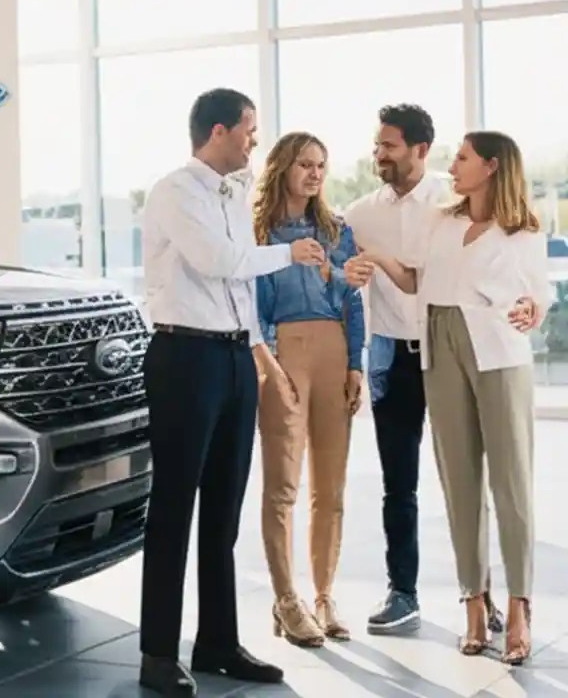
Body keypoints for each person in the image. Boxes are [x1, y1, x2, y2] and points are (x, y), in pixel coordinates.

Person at [137, 87, 326, 696]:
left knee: (224, 508)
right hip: (184, 357)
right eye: (248, 128)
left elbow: (237, 284)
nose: (254, 139)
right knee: (173, 509)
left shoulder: (236, 192)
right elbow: (219, 260)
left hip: (233, 358)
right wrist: (287, 253)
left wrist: (257, 357)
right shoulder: (174, 191)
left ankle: (218, 642)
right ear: (217, 131)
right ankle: (157, 655)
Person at [345, 130, 548, 665]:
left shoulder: (521, 227)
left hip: (499, 350)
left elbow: (538, 292)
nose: (452, 167)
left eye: (462, 158)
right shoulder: (443, 219)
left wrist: (534, 308)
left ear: (493, 167)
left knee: (511, 485)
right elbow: (415, 281)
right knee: (460, 482)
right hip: (440, 344)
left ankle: (520, 606)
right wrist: (374, 258)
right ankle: (474, 605)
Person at [252, 132, 365, 648]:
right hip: (282, 353)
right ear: (282, 168)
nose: (315, 173)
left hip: (334, 349)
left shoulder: (338, 231)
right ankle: (286, 599)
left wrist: (356, 364)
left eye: (322, 164)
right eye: (305, 163)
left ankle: (324, 595)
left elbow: (354, 300)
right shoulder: (259, 234)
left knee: (331, 489)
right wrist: (271, 365)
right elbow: (253, 307)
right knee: (282, 486)